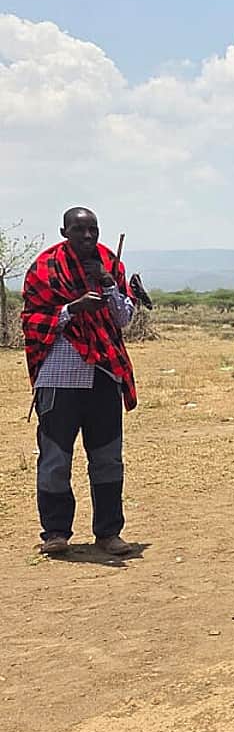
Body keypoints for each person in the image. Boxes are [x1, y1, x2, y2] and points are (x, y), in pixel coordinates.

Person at [22, 207, 137, 557]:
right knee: (55, 458)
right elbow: (31, 320)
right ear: (64, 232)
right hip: (60, 378)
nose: (87, 236)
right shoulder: (45, 268)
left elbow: (124, 318)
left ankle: (109, 533)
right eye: (79, 229)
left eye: (93, 230)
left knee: (108, 458)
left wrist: (107, 282)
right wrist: (72, 309)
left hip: (104, 373)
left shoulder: (110, 264)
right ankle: (56, 533)